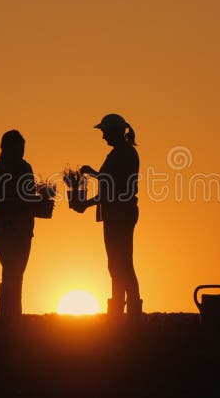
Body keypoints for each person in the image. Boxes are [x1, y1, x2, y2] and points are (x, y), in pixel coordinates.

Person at [72, 114, 142, 324]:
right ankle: (119, 311)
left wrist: (91, 173)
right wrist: (88, 203)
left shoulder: (126, 154)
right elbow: (108, 190)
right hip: (114, 213)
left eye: (105, 132)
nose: (103, 136)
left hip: (121, 214)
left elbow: (112, 184)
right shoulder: (118, 154)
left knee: (123, 263)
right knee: (115, 264)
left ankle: (131, 314)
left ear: (114, 132)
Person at [0, 130, 42, 324]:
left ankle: (11, 317)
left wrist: (38, 201)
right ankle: (8, 317)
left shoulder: (26, 168)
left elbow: (29, 195)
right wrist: (17, 202)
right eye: (18, 148)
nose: (21, 152)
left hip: (23, 229)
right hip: (2, 229)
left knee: (15, 272)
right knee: (12, 270)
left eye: (22, 148)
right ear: (7, 149)